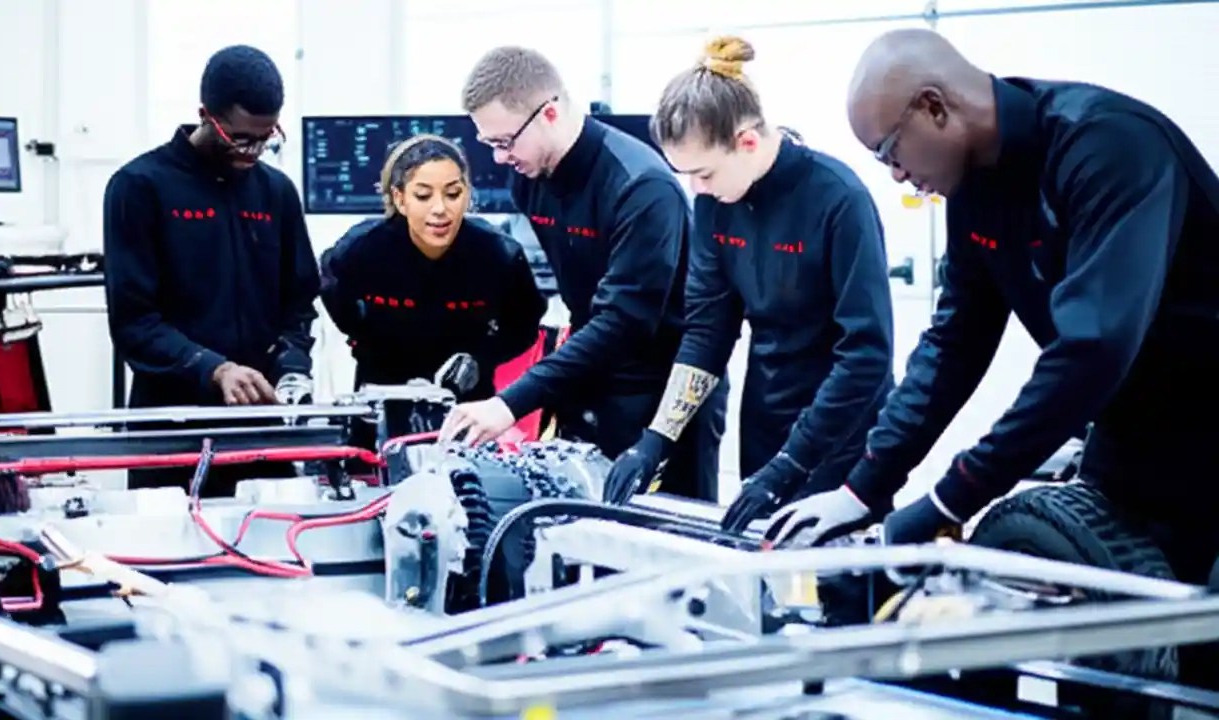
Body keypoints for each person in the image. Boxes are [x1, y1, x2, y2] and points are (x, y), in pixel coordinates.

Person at [768, 28, 1219, 576]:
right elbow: (953, 345)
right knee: (1121, 626)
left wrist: (949, 500)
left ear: (934, 107)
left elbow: (1092, 348)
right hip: (1129, 432)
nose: (896, 175)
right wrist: (862, 490)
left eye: (889, 151)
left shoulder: (1107, 147)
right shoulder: (974, 193)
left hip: (1206, 424)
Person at [602, 37, 896, 529]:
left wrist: (792, 464)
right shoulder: (716, 204)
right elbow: (708, 333)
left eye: (703, 172)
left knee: (842, 587)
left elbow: (867, 352)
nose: (696, 188)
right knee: (764, 581)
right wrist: (657, 438)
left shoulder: (838, 199)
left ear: (747, 142)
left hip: (846, 428)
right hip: (767, 420)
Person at [438, 46, 728, 502]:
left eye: (505, 142)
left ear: (549, 113)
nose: (499, 158)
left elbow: (623, 322)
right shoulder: (528, 176)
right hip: (591, 377)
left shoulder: (640, 187)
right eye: (490, 144)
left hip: (661, 391)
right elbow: (586, 313)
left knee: (664, 546)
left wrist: (510, 403)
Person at [103, 45, 319, 494]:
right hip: (171, 429)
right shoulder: (139, 188)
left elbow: (298, 305)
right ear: (205, 115)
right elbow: (134, 323)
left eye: (266, 138)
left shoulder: (276, 193)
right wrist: (213, 369)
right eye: (239, 138)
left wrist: (293, 366)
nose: (253, 152)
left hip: (262, 424)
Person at [319, 134, 546, 405]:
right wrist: (368, 343)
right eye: (423, 195)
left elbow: (524, 325)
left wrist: (481, 358)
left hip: (467, 400)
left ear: (467, 195)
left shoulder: (499, 255)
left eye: (453, 194)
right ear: (400, 198)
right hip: (381, 394)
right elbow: (335, 298)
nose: (440, 209)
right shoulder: (358, 251)